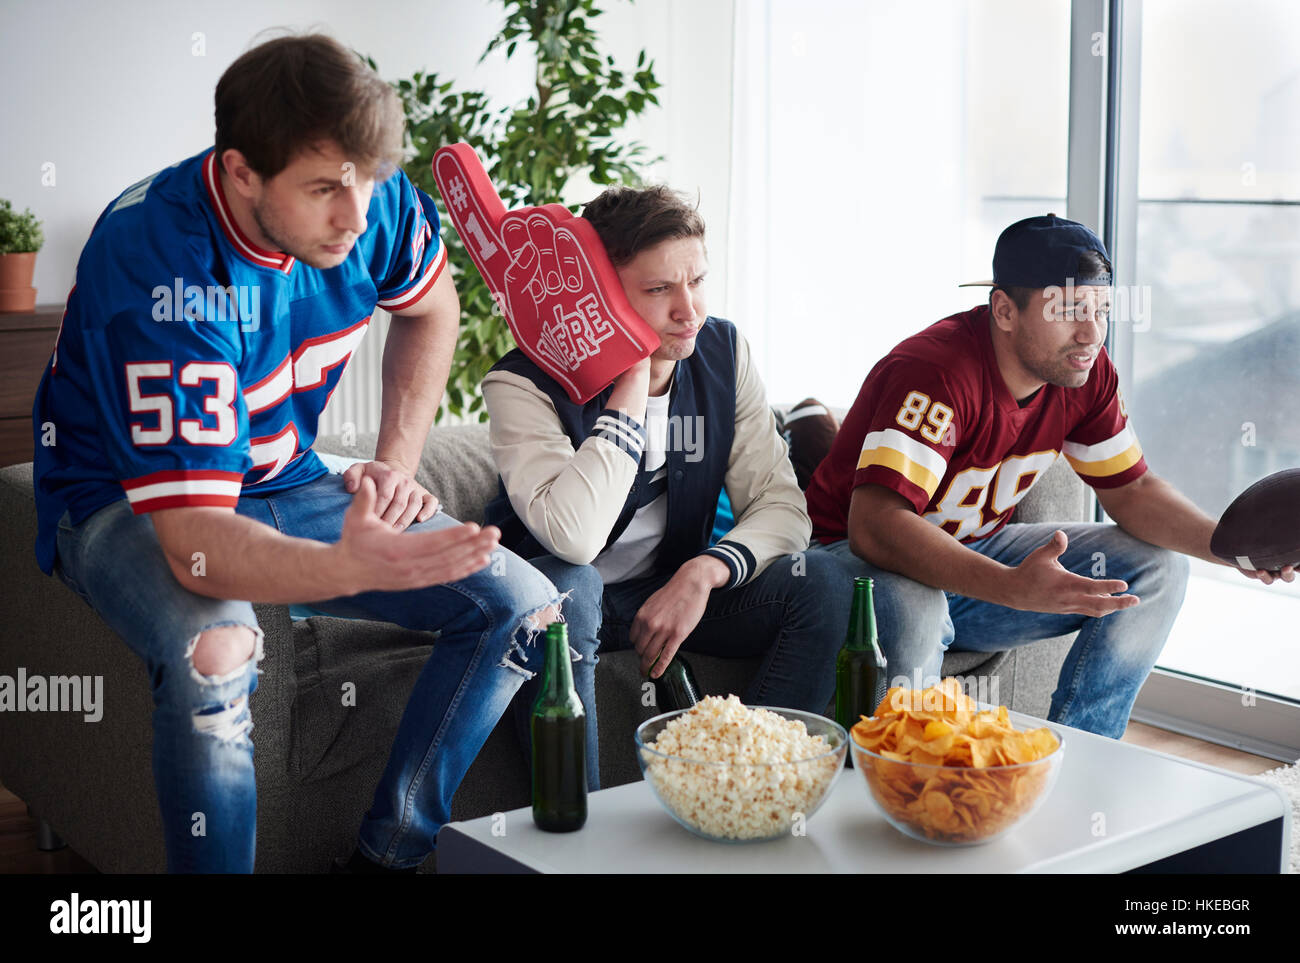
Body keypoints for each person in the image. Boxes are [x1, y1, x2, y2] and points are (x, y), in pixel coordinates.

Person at [31, 33, 561, 873]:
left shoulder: (362, 194)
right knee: (217, 651)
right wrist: (354, 564)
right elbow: (200, 547)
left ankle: (386, 855)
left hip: (285, 471)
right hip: (124, 499)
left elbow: (434, 310)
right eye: (322, 191)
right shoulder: (160, 273)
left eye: (366, 183)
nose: (354, 217)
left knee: (525, 607)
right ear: (241, 171)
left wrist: (395, 460)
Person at [804, 214, 1295, 739]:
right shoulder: (938, 372)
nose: (1090, 333)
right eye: (1069, 312)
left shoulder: (1084, 371)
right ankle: (909, 787)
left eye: (1101, 311)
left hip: (968, 559)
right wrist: (1013, 587)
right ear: (1004, 311)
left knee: (1160, 570)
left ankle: (1083, 756)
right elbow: (875, 526)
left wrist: (1228, 547)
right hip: (851, 569)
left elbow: (1132, 489)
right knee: (920, 608)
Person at [480, 185, 846, 783]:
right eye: (659, 290)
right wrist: (627, 372)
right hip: (559, 601)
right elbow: (573, 540)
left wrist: (705, 571)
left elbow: (781, 505)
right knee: (568, 586)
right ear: (599, 296)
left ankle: (737, 787)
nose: (689, 311)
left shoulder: (723, 352)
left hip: (667, 589)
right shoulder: (522, 382)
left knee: (826, 582)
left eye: (697, 281)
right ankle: (580, 832)